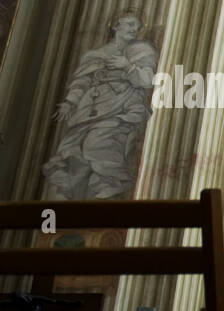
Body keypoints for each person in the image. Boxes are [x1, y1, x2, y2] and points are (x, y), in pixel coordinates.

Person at [43, 13, 158, 199]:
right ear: (115, 26)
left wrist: (127, 66)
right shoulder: (97, 54)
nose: (134, 29)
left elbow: (147, 80)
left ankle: (109, 186)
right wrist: (69, 102)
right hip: (91, 107)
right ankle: (73, 195)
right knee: (73, 150)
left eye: (137, 27)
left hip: (122, 107)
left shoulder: (143, 51)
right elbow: (82, 81)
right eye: (130, 24)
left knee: (98, 142)